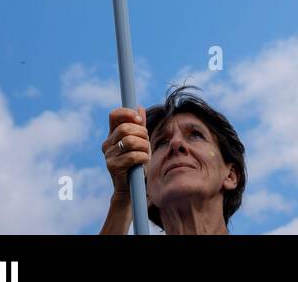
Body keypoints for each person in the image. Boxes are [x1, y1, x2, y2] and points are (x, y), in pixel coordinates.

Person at [99, 84, 246, 235]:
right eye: (161, 143)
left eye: (196, 135)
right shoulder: (132, 195)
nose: (175, 143)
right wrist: (125, 197)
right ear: (146, 192)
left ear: (230, 175)